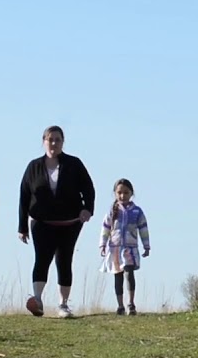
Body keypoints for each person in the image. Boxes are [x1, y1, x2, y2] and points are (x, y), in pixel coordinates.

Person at [17, 125, 95, 318]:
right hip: (41, 222)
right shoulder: (33, 167)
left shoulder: (74, 164)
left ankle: (63, 305)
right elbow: (24, 196)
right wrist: (22, 226)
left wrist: (87, 209)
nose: (53, 143)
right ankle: (37, 300)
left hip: (70, 222)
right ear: (43, 141)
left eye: (57, 140)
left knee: (64, 259)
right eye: (50, 139)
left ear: (63, 142)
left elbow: (88, 189)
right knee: (42, 259)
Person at [98, 178, 151, 315]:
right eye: (119, 193)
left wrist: (146, 245)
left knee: (129, 273)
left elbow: (143, 228)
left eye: (126, 193)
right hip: (115, 248)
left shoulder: (137, 211)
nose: (123, 196)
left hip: (130, 248)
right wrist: (102, 244)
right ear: (115, 193)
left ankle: (131, 303)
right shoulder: (112, 211)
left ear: (131, 193)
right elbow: (105, 228)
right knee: (118, 276)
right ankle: (120, 305)